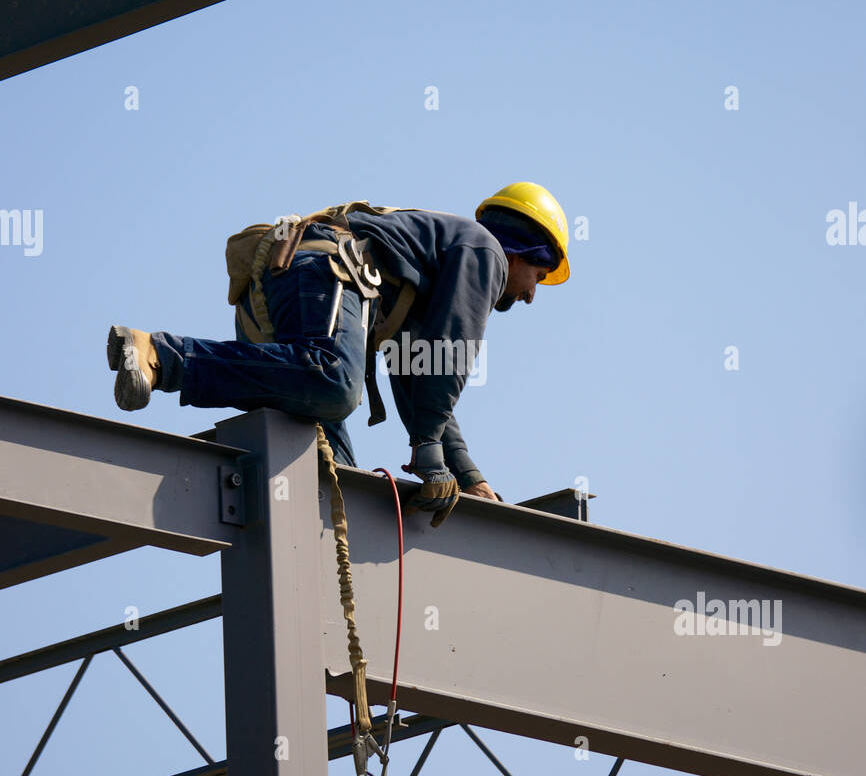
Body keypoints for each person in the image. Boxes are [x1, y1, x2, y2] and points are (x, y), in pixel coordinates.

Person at [107, 182, 570, 523]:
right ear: (520, 249)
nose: (533, 293)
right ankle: (161, 356)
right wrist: (427, 451)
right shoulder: (483, 249)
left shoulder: (424, 278)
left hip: (280, 290)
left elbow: (420, 371)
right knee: (337, 383)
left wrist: (465, 474)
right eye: (541, 272)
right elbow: (451, 350)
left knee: (336, 489)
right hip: (321, 273)